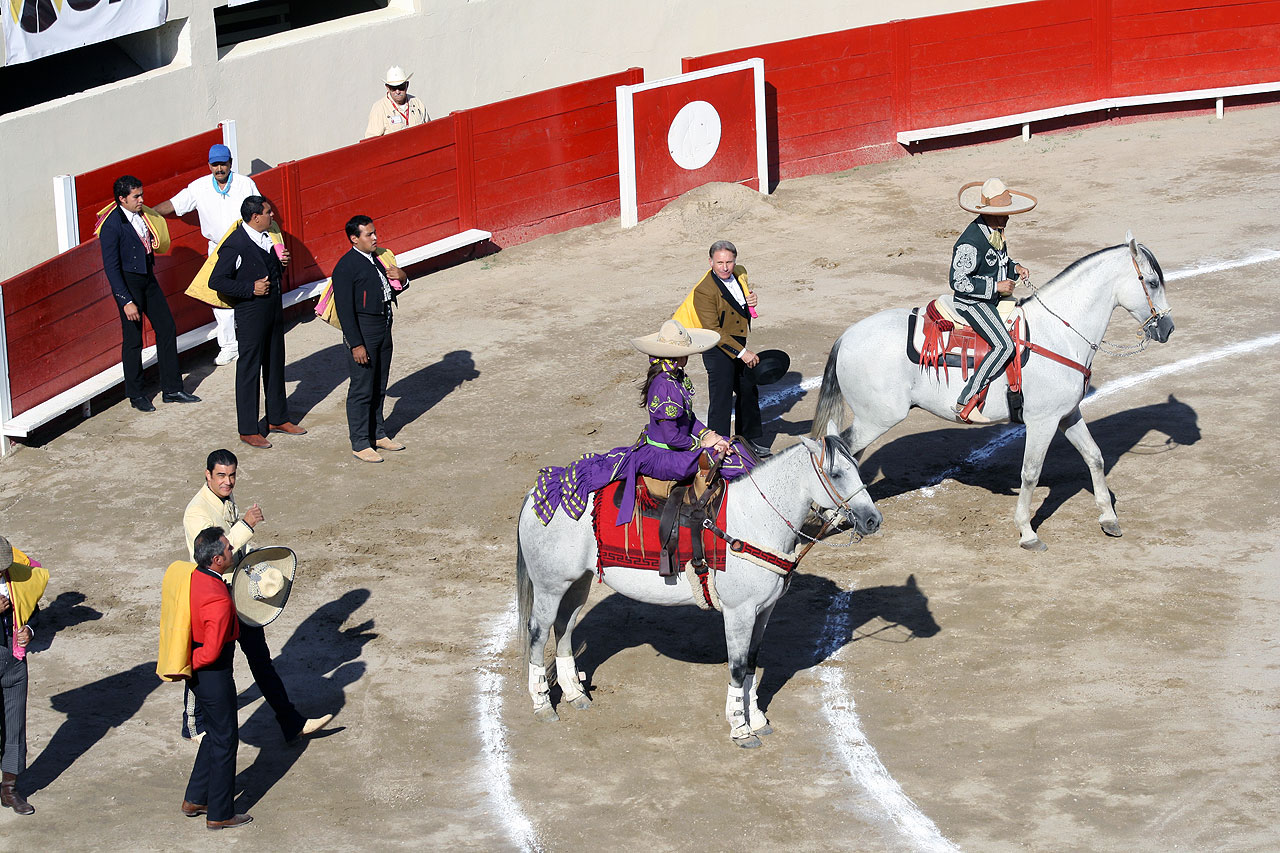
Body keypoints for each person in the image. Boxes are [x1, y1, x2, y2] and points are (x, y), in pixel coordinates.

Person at [531, 320, 756, 529]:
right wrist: (702, 444)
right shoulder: (665, 387)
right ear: (679, 357)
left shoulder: (674, 377)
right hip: (663, 456)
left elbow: (687, 419)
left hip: (675, 448)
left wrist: (710, 434)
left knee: (732, 448)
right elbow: (673, 438)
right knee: (723, 462)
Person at [182, 449, 331, 744]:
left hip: (239, 593)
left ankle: (290, 722)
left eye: (232, 475)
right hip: (214, 597)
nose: (228, 482)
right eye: (221, 476)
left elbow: (236, 550)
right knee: (208, 663)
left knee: (261, 661)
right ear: (207, 475)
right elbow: (215, 555)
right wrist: (246, 526)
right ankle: (194, 725)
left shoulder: (225, 499)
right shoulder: (197, 512)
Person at [98, 175, 202, 412]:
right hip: (129, 284)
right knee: (133, 340)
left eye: (141, 194)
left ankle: (172, 389)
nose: (142, 200)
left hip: (148, 279)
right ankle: (135, 394)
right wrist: (125, 300)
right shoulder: (112, 225)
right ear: (122, 199)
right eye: (136, 196)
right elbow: (112, 268)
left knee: (167, 328)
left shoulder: (142, 214)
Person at [209, 196, 306, 448]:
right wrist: (250, 288)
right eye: (268, 213)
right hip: (250, 314)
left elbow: (269, 272)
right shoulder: (235, 244)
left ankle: (277, 418)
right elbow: (217, 281)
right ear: (255, 217)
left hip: (272, 310)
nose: (272, 216)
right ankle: (248, 429)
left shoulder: (267, 237)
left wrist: (280, 264)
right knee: (249, 369)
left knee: (274, 362)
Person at [153, 144, 262, 366]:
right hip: (217, 248)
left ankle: (250, 342)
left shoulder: (245, 184)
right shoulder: (199, 187)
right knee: (219, 296)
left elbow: (259, 211)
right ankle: (229, 346)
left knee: (249, 292)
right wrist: (146, 214)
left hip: (245, 244)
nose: (219, 168)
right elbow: (174, 205)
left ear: (230, 163)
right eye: (215, 164)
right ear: (209, 165)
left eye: (223, 164)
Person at [949, 178, 1036, 422]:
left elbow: (999, 263)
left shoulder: (995, 231)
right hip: (971, 303)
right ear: (988, 213)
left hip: (989, 298)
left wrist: (1015, 268)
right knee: (1004, 345)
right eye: (1002, 213)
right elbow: (958, 281)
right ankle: (966, 399)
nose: (1007, 217)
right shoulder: (970, 242)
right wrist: (995, 286)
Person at [183, 527, 252, 830]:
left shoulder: (195, 576)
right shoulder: (220, 601)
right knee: (226, 739)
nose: (230, 550)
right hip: (213, 673)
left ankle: (196, 797)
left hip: (200, 673)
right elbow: (210, 654)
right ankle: (220, 812)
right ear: (216, 559)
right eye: (226, 547)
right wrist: (188, 665)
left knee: (214, 731)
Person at [679, 240, 769, 457]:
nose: (725, 267)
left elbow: (738, 302)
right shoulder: (703, 291)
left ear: (735, 261)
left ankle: (748, 442)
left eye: (729, 261)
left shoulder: (738, 275)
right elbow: (714, 330)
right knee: (721, 397)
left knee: (748, 389)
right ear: (710, 262)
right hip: (717, 350)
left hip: (738, 343)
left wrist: (752, 301)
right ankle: (719, 447)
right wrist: (742, 352)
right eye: (720, 262)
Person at [331, 215, 409, 463]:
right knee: (362, 388)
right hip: (364, 331)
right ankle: (360, 442)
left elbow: (394, 287)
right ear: (354, 239)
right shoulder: (345, 267)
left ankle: (377, 433)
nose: (375, 238)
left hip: (384, 326)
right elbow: (344, 310)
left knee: (379, 384)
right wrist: (356, 344)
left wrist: (403, 276)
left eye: (375, 233)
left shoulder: (379, 258)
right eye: (369, 234)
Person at [0, 535, 46, 816]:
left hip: (14, 662)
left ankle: (9, 789)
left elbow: (34, 611)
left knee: (15, 726)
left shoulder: (16, 578)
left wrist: (29, 630)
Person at [364, 66, 429, 139]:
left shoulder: (417, 102)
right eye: (393, 88)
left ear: (407, 85)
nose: (397, 92)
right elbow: (371, 140)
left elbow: (429, 130)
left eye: (401, 87)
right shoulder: (379, 108)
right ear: (387, 88)